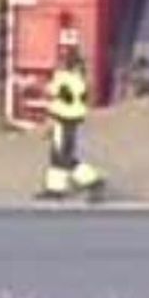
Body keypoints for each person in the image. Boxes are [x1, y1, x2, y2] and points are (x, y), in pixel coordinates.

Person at [39, 46, 105, 202]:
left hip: (62, 120)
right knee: (58, 156)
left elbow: (50, 91)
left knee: (64, 157)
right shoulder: (80, 78)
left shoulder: (63, 78)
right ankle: (55, 188)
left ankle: (92, 180)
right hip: (73, 120)